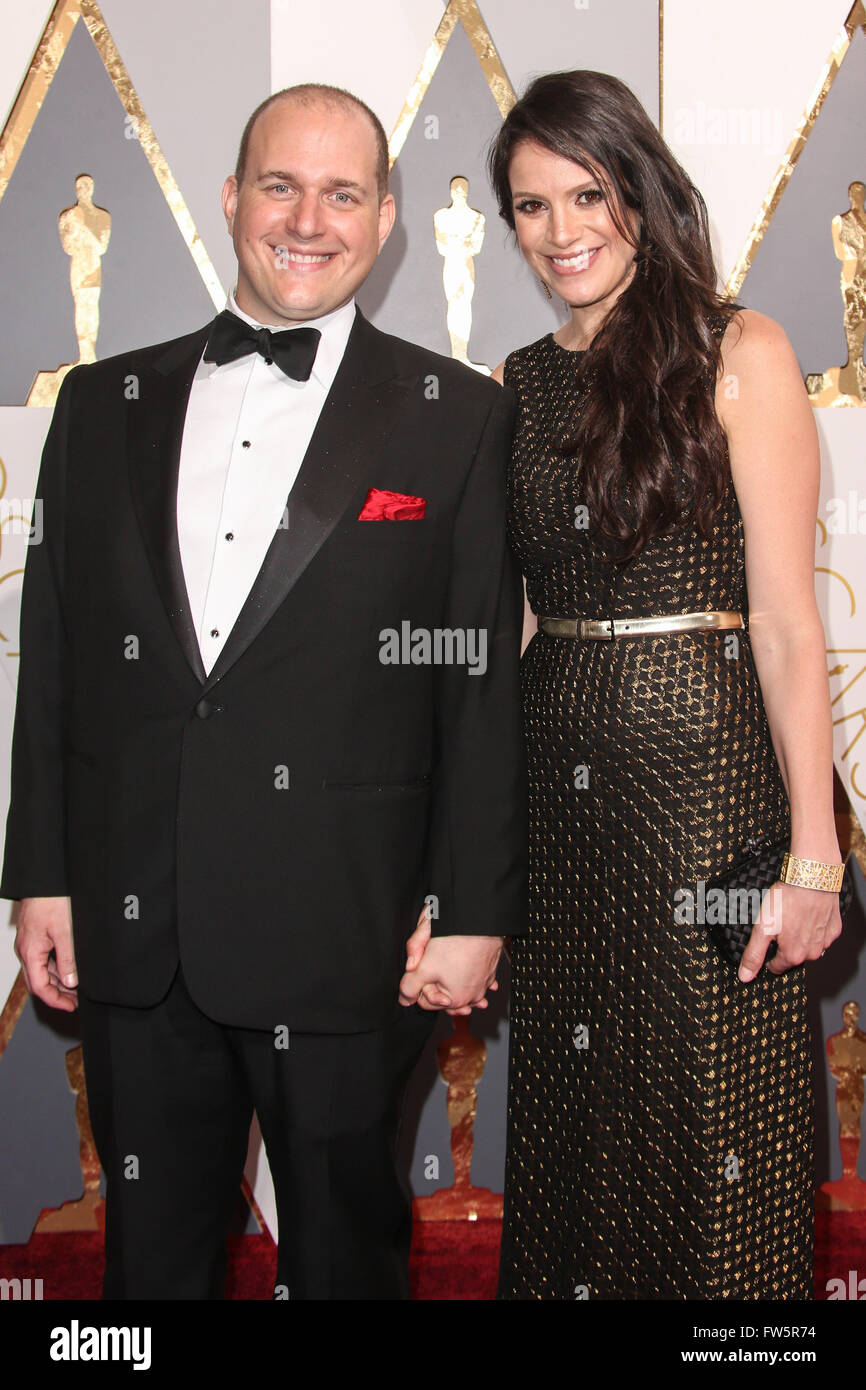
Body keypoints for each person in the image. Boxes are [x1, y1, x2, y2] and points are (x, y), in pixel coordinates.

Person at [2, 83, 526, 1300]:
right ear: (231, 198)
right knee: (152, 1273)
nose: (308, 218)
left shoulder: (457, 419)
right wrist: (45, 870)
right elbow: (58, 660)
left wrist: (472, 907)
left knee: (346, 1265)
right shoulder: (95, 407)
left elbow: (476, 682)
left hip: (352, 935)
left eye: (342, 192)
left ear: (388, 218)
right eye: (279, 186)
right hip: (137, 927)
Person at [484, 68, 843, 1299]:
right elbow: (507, 627)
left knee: (717, 1123)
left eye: (586, 193)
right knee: (575, 1128)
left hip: (713, 796)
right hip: (557, 799)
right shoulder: (513, 386)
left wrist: (811, 854)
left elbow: (789, 626)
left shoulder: (738, 348)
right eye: (529, 207)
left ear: (637, 189)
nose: (561, 230)